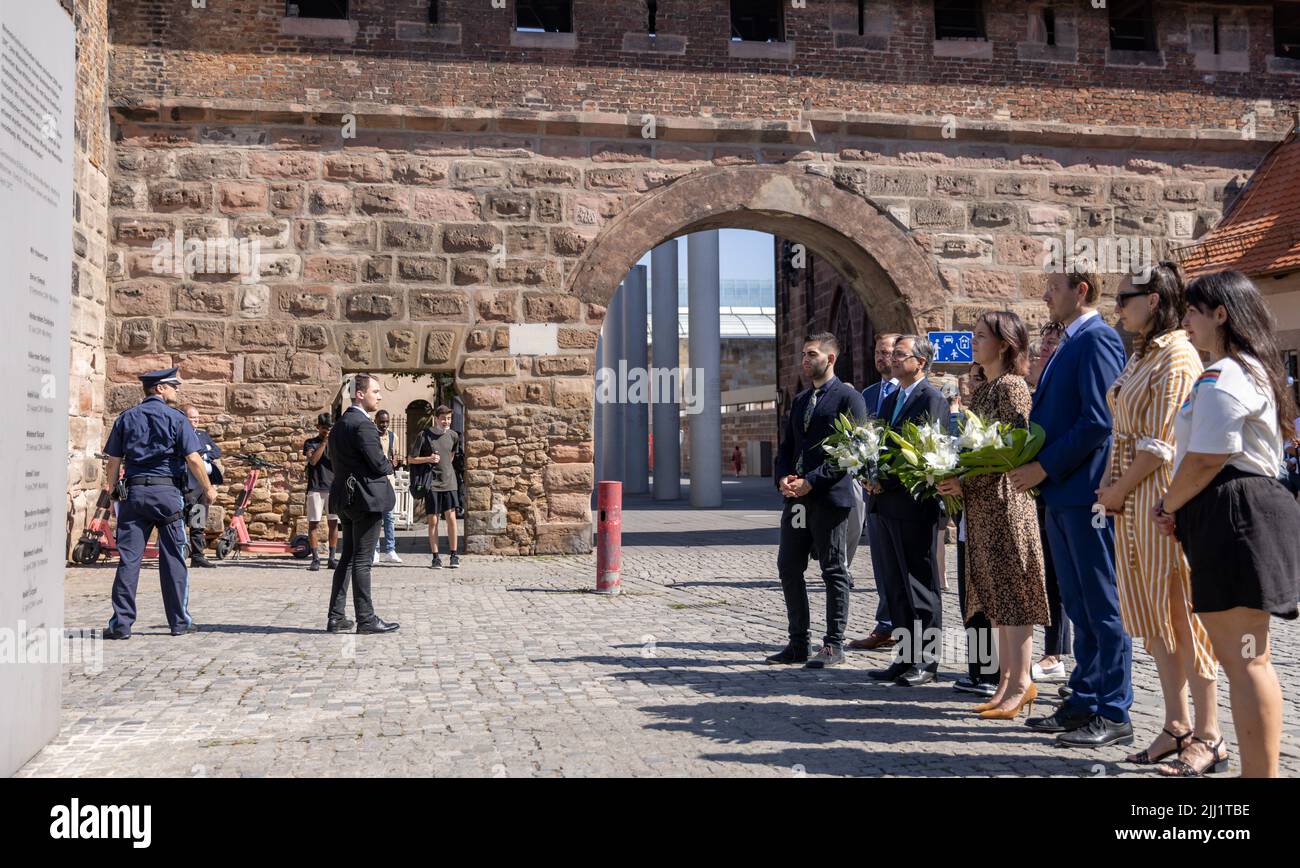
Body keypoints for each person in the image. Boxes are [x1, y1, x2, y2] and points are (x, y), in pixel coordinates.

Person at [1153, 269, 1300, 777]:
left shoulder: (1228, 374)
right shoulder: (1243, 369)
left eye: (1194, 311)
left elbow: (1206, 458)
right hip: (1233, 512)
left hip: (1235, 512)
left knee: (1245, 658)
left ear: (1221, 314)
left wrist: (1169, 505)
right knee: (1246, 657)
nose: (1186, 320)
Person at [1096, 263, 1221, 769]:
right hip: (1130, 503)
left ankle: (1210, 732)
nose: (1118, 307)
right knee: (1153, 621)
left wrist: (1117, 490)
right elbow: (1121, 429)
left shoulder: (1177, 354)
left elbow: (1162, 442)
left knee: (1183, 617)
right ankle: (1175, 723)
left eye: (1125, 297)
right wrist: (1109, 486)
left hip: (1159, 502)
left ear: (1154, 300)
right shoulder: (1142, 353)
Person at [1010, 269, 1130, 748]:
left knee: (1102, 606)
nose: (1045, 296)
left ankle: (1115, 708)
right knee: (1078, 606)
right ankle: (1083, 699)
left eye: (1053, 288)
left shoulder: (1098, 339)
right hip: (1063, 494)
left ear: (1081, 291)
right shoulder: (1069, 341)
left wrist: (1044, 467)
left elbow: (1099, 420)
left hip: (1084, 492)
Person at [939, 312, 1048, 719]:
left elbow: (1016, 448)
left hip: (1006, 504)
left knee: (1013, 595)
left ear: (1003, 344)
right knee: (994, 596)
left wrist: (966, 480)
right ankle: (1006, 681)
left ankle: (1022, 683)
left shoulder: (1012, 386)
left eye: (981, 336)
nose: (973, 342)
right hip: (982, 506)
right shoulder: (983, 388)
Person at [767, 333, 868, 668]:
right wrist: (783, 477)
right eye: (803, 355)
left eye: (811, 354)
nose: (805, 360)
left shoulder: (847, 398)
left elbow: (849, 452)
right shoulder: (799, 400)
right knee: (788, 565)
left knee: (833, 569)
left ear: (831, 358)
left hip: (828, 498)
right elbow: (787, 448)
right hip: (796, 500)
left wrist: (811, 482)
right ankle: (798, 642)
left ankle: (833, 644)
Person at [101, 368, 215, 639]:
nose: (176, 390)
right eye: (173, 386)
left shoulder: (126, 418)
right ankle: (179, 622)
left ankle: (121, 624)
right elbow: (194, 459)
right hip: (166, 495)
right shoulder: (177, 419)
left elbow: (114, 462)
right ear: (160, 389)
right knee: (173, 557)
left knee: (129, 559)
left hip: (135, 494)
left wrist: (114, 491)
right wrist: (208, 489)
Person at [865, 334, 950, 687]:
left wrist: (890, 481)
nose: (894, 359)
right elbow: (880, 443)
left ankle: (927, 662)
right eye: (894, 354)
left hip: (913, 505)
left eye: (902, 355)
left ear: (921, 362)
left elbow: (926, 454)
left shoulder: (930, 398)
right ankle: (904, 655)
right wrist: (870, 475)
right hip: (883, 503)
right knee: (895, 584)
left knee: (920, 586)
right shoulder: (892, 397)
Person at [326, 374, 400, 634]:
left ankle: (335, 616)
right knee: (362, 559)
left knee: (347, 557)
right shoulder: (363, 425)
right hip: (366, 498)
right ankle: (366, 619)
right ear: (360, 394)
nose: (379, 397)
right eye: (375, 392)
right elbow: (378, 463)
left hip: (345, 497)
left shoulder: (339, 425)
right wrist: (391, 463)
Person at [847, 332, 901, 652]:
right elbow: (855, 440)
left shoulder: (915, 394)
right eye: (879, 352)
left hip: (903, 492)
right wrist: (862, 475)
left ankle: (912, 635)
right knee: (881, 561)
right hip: (872, 490)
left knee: (906, 565)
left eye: (890, 352)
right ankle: (886, 624)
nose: (883, 358)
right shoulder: (866, 395)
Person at [950, 364, 1001, 698]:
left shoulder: (1001, 407)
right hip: (969, 516)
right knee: (970, 599)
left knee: (990, 599)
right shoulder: (968, 419)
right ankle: (979, 668)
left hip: (991, 514)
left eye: (978, 377)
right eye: (970, 377)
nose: (971, 383)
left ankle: (995, 672)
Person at [1026, 321, 1072, 684]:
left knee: (1060, 577)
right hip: (1039, 492)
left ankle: (1057, 652)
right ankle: (1052, 650)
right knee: (1048, 578)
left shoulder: (1062, 384)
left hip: (1058, 485)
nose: (1044, 347)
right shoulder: (1039, 384)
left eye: (1053, 342)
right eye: (1042, 341)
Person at [408, 404, 463, 569]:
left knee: (451, 519)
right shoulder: (424, 435)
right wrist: (429, 459)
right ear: (436, 418)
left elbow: (451, 456)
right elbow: (411, 459)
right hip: (432, 483)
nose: (446, 421)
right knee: (433, 520)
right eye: (443, 418)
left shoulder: (454, 436)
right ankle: (435, 557)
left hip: (450, 482)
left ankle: (454, 555)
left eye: (449, 418)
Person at [182, 405, 223, 569]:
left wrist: (204, 454)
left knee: (197, 522)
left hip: (200, 485)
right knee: (178, 522)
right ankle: (176, 555)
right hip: (184, 485)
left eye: (197, 418)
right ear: (185, 419)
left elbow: (216, 451)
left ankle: (198, 556)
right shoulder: (179, 434)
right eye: (193, 418)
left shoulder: (202, 434)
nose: (196, 421)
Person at [303, 413, 339, 572]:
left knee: (333, 523)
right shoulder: (310, 443)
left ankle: (331, 558)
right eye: (324, 428)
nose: (327, 431)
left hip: (333, 488)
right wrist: (324, 442)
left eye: (330, 428)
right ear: (318, 427)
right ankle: (316, 558)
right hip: (316, 488)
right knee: (314, 523)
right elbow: (313, 460)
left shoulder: (338, 444)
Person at [372, 410, 403, 565]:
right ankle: (375, 551)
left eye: (386, 422)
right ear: (375, 421)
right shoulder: (371, 436)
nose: (384, 425)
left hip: (388, 480)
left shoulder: (393, 437)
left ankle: (390, 550)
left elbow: (395, 456)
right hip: (375, 480)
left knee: (389, 517)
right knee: (376, 517)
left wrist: (394, 462)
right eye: (381, 421)